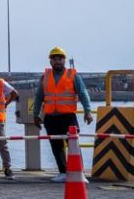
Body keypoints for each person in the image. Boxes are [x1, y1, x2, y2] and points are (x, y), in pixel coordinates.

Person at [32, 46, 93, 181]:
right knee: (56, 146)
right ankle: (63, 172)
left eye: (60, 58)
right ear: (50, 62)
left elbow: (83, 93)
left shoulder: (73, 75)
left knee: (73, 145)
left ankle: (79, 173)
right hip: (51, 118)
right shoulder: (45, 77)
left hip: (68, 117)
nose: (57, 61)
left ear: (64, 60)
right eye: (54, 59)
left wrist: (88, 111)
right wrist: (36, 115)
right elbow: (38, 97)